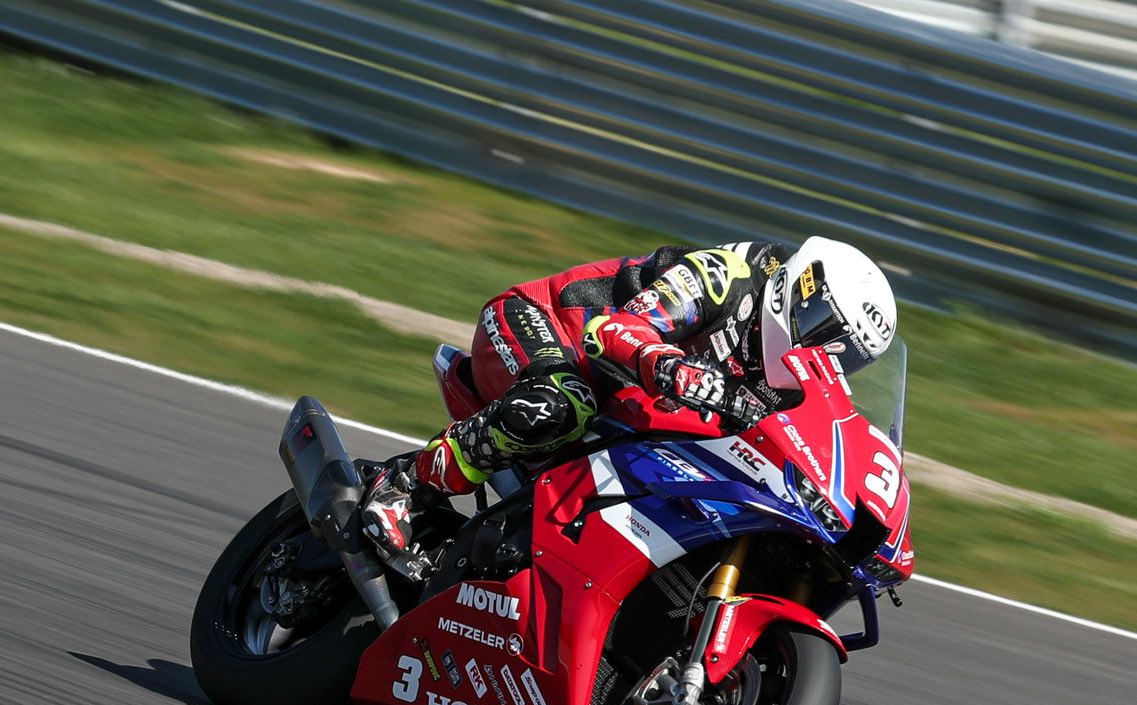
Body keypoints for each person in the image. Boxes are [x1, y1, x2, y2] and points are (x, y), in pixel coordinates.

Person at [358, 236, 899, 578]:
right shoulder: (727, 276)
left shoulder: (787, 385)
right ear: (799, 293)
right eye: (828, 335)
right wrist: (679, 370)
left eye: (846, 354)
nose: (829, 355)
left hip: (619, 413)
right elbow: (614, 330)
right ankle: (404, 485)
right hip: (542, 327)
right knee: (563, 401)